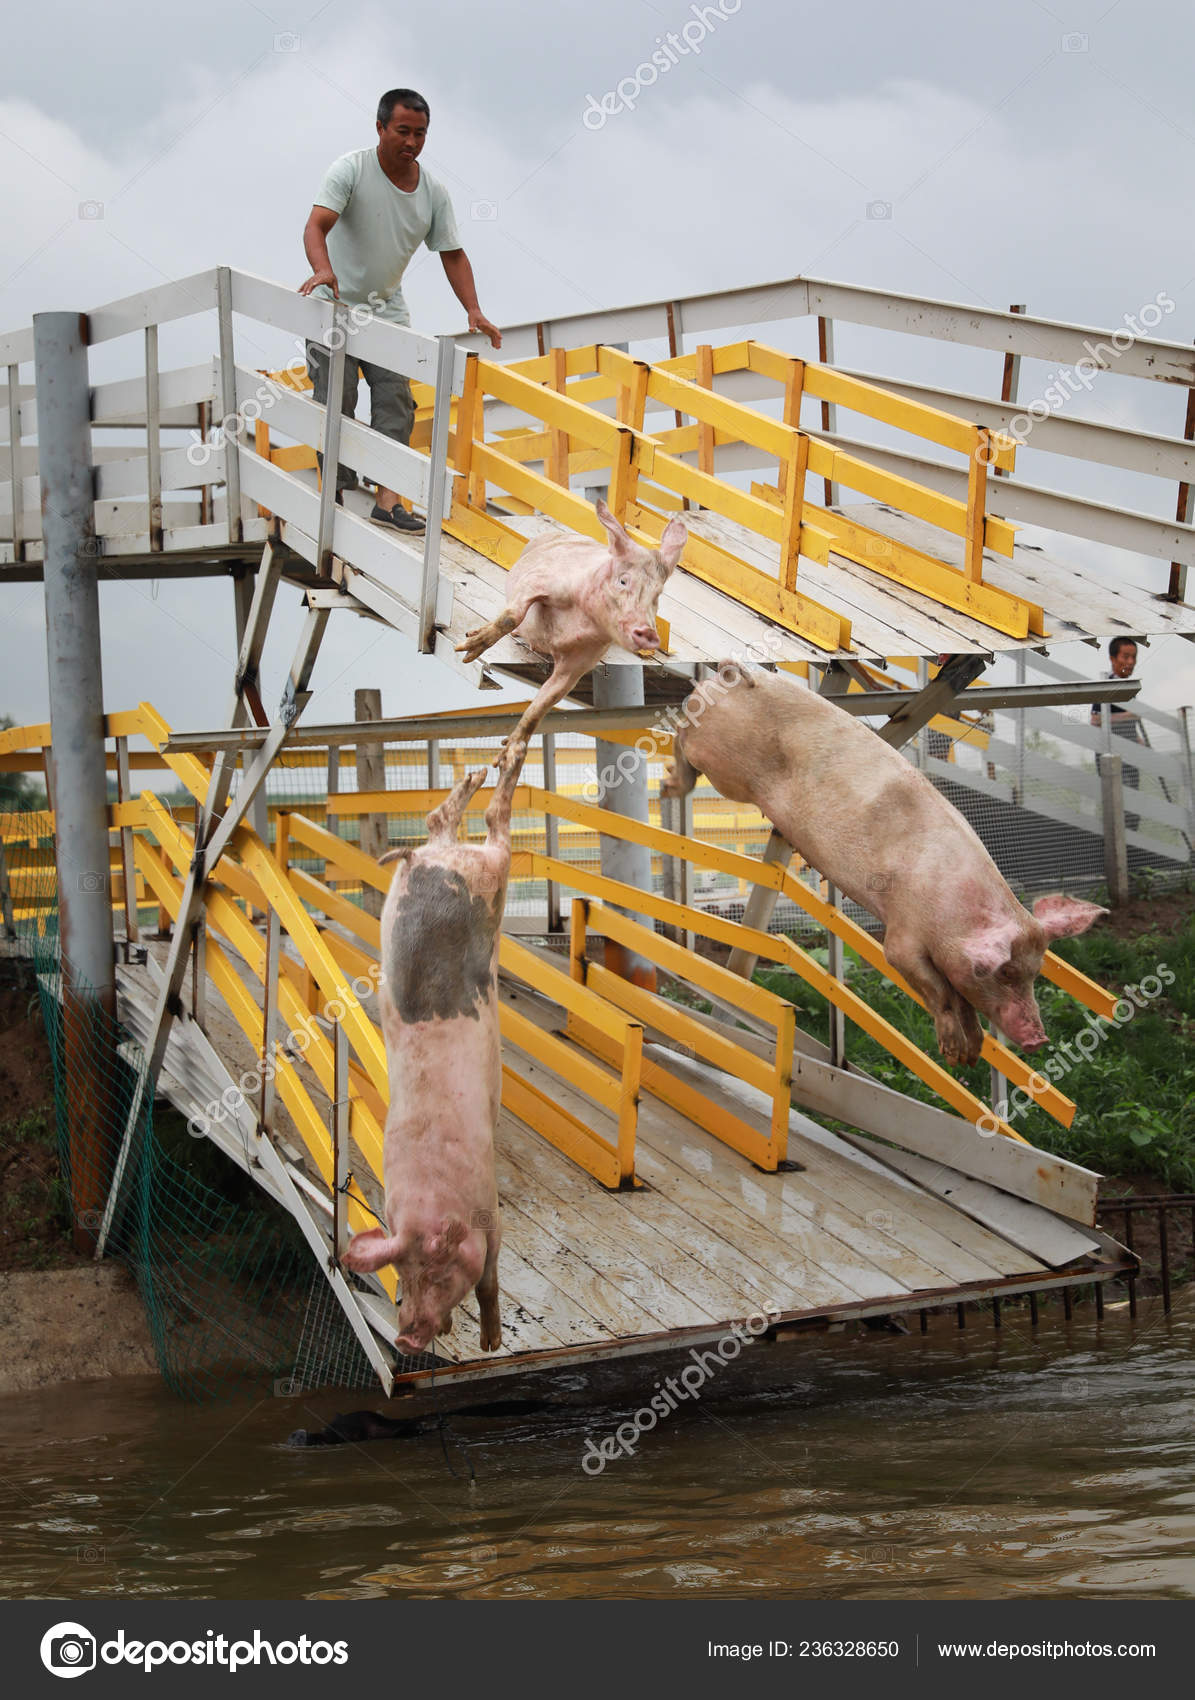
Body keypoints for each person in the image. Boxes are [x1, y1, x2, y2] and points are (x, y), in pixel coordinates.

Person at [298, 87, 502, 534]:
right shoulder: (350, 170)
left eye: (421, 134)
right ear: (380, 128)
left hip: (385, 310)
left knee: (395, 402)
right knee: (338, 394)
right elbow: (316, 224)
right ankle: (336, 484)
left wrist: (473, 308)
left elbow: (452, 253)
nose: (411, 142)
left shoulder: (432, 192)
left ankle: (388, 500)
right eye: (403, 131)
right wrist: (322, 269)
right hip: (331, 305)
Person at [1090, 635, 1143, 832]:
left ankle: (1131, 846)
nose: (1130, 662)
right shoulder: (1107, 685)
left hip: (1130, 755)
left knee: (1133, 804)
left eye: (1133, 657)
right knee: (1116, 803)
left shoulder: (1130, 687)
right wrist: (1129, 716)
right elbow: (1095, 719)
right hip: (1111, 755)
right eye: (1126, 657)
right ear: (1113, 659)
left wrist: (1138, 740)